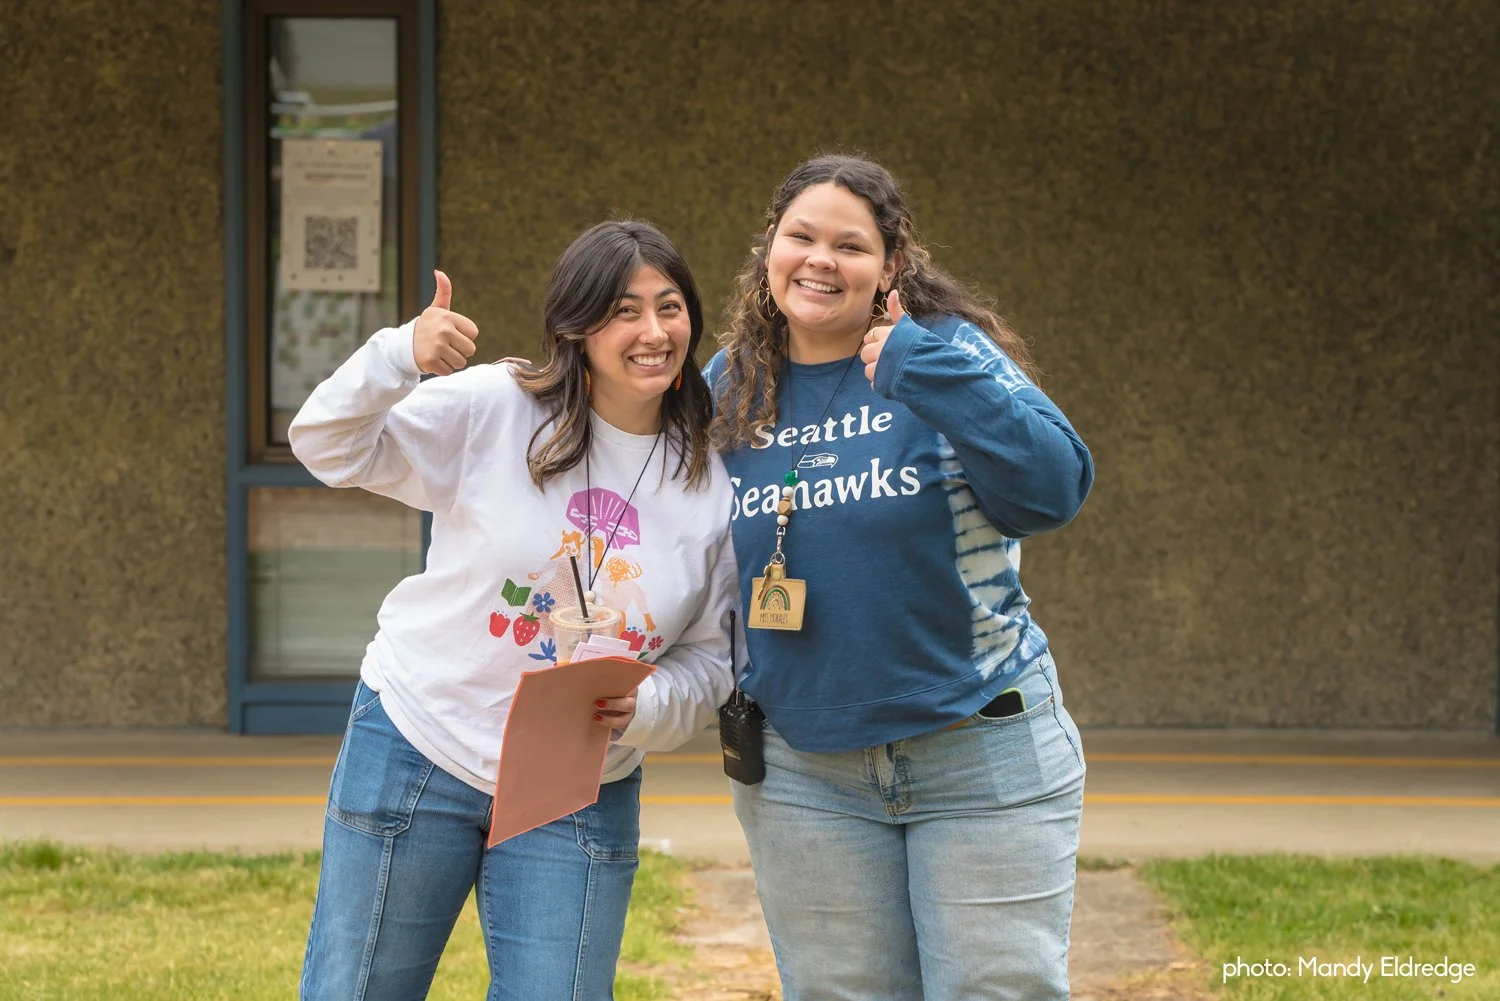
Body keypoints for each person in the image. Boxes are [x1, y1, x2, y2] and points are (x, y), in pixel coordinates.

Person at [290, 220, 738, 1000]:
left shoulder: (709, 479)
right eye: (624, 310)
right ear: (576, 325)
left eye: (670, 307)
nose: (654, 331)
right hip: (422, 743)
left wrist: (646, 705)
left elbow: (711, 659)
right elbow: (327, 443)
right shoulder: (499, 406)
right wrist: (399, 356)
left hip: (579, 780)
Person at [705, 154, 1095, 1001]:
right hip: (804, 769)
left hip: (978, 744)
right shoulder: (729, 385)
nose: (820, 260)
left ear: (890, 266)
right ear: (769, 246)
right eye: (801, 236)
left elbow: (1054, 488)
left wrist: (921, 367)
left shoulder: (945, 351)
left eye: (850, 245)